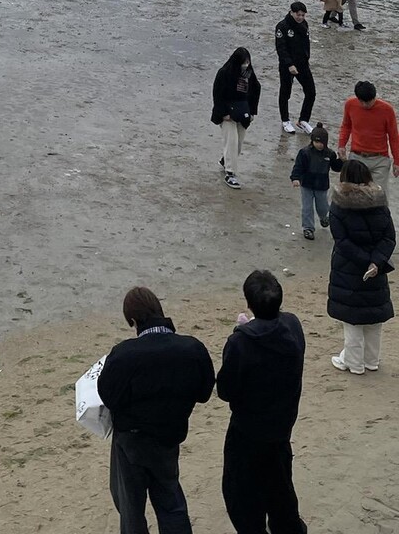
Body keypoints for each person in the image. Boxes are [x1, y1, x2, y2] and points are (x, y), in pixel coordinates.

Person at [95, 286, 215, 534]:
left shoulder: (124, 354)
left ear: (134, 321)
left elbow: (107, 395)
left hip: (131, 441)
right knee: (171, 501)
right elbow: (204, 393)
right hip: (169, 436)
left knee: (130, 507)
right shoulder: (193, 349)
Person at [216, 269, 307, 534]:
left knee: (241, 496)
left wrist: (242, 332)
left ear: (249, 303)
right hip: (282, 426)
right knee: (281, 492)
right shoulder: (293, 325)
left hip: (248, 432)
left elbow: (225, 390)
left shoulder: (240, 343)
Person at [327, 158, 396, 375]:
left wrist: (365, 260)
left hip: (349, 268)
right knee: (374, 318)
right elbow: (389, 237)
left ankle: (354, 364)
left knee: (352, 319)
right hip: (377, 267)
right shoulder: (379, 202)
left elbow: (342, 241)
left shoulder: (339, 205)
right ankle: (371, 361)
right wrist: (376, 261)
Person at [337, 81, 399, 204]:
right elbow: (346, 126)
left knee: (378, 198)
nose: (366, 105)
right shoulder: (350, 104)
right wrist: (341, 145)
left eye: (369, 101)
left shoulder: (387, 110)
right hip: (357, 157)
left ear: (374, 97)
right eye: (362, 102)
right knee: (353, 196)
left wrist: (397, 161)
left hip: (380, 160)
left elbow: (393, 136)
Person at [211, 47, 261, 189]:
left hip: (243, 114)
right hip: (227, 115)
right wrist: (222, 113)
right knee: (231, 141)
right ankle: (230, 173)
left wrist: (252, 112)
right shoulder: (224, 73)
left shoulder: (249, 75)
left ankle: (225, 160)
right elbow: (217, 95)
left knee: (238, 144)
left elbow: (256, 90)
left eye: (247, 62)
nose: (245, 65)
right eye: (243, 62)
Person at [291, 123, 343, 240]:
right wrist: (295, 178)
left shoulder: (330, 154)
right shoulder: (304, 153)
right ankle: (308, 228)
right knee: (307, 207)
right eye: (317, 142)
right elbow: (298, 166)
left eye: (322, 143)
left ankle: (324, 218)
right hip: (307, 184)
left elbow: (336, 167)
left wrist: (342, 160)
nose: (319, 145)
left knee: (323, 206)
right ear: (312, 141)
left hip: (322, 185)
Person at [274, 1, 316, 134]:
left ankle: (303, 120)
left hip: (303, 64)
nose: (301, 18)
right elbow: (281, 48)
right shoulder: (282, 26)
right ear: (291, 12)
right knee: (285, 92)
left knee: (311, 92)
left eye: (303, 15)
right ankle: (285, 120)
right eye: (298, 15)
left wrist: (306, 58)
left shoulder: (304, 24)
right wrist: (289, 64)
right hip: (288, 66)